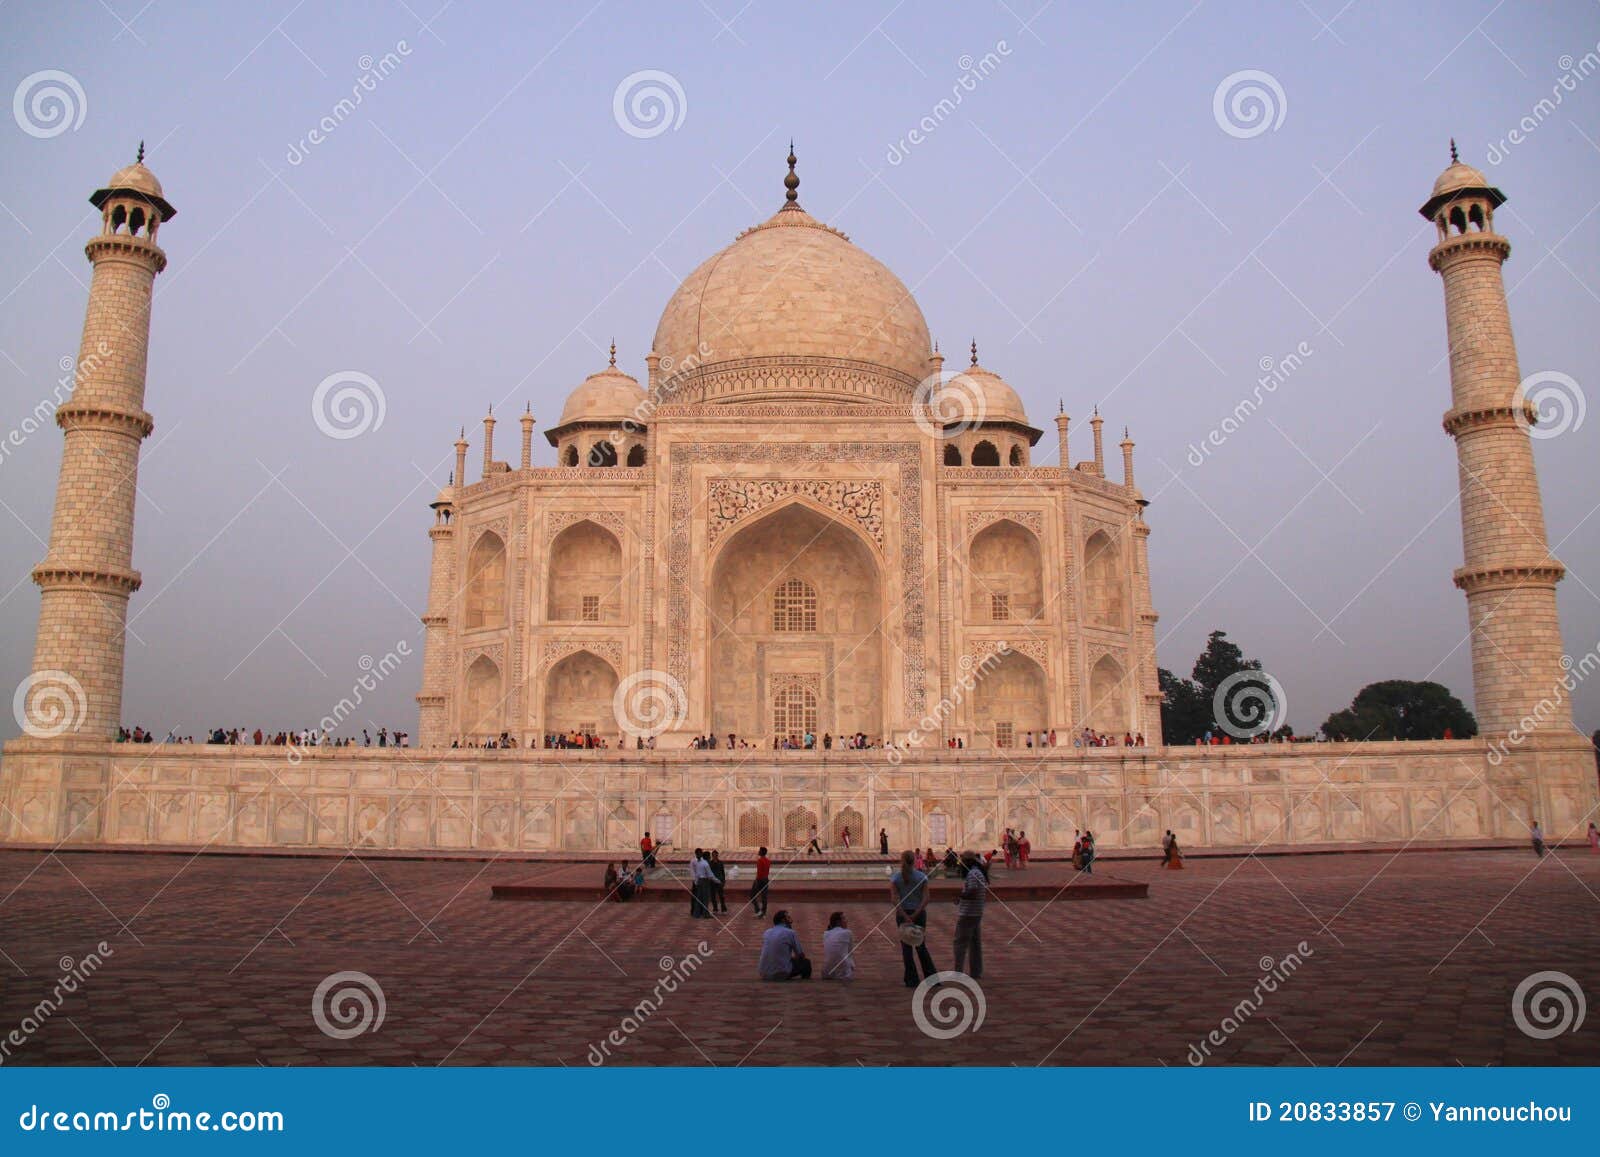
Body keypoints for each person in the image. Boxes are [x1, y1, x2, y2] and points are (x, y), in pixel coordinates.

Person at [890, 850, 936, 988]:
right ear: (915, 860)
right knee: (921, 946)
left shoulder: (896, 878)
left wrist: (905, 915)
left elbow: (894, 899)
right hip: (919, 914)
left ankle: (911, 979)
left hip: (903, 914)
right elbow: (926, 898)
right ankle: (932, 979)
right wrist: (916, 913)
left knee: (906, 948)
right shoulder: (922, 877)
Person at [953, 851, 987, 980]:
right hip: (976, 912)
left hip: (969, 913)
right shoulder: (978, 872)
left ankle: (958, 972)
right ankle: (976, 971)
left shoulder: (973, 874)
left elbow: (972, 891)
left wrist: (960, 896)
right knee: (974, 943)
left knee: (960, 943)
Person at [757, 911, 811, 981]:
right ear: (783, 920)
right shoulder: (790, 932)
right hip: (781, 973)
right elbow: (800, 955)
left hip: (763, 973)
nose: (791, 919)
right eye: (788, 917)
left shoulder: (767, 932)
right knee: (806, 963)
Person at [822, 911, 855, 980]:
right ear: (838, 922)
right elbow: (850, 953)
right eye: (844, 918)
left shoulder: (826, 933)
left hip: (826, 972)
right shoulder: (848, 932)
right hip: (844, 974)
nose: (846, 921)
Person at [689, 849, 712, 918]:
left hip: (702, 881)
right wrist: (696, 881)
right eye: (698, 854)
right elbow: (693, 872)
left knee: (702, 897)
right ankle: (695, 912)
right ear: (696, 854)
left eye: (701, 853)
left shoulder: (703, 861)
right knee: (697, 897)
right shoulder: (693, 861)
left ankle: (700, 912)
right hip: (697, 881)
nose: (700, 855)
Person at [751, 845, 771, 916]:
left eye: (759, 850)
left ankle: (758, 910)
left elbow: (759, 872)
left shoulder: (760, 860)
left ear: (762, 852)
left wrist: (756, 880)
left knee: (752, 895)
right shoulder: (768, 861)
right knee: (764, 897)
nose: (758, 851)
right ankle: (763, 912)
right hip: (766, 879)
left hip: (759, 880)